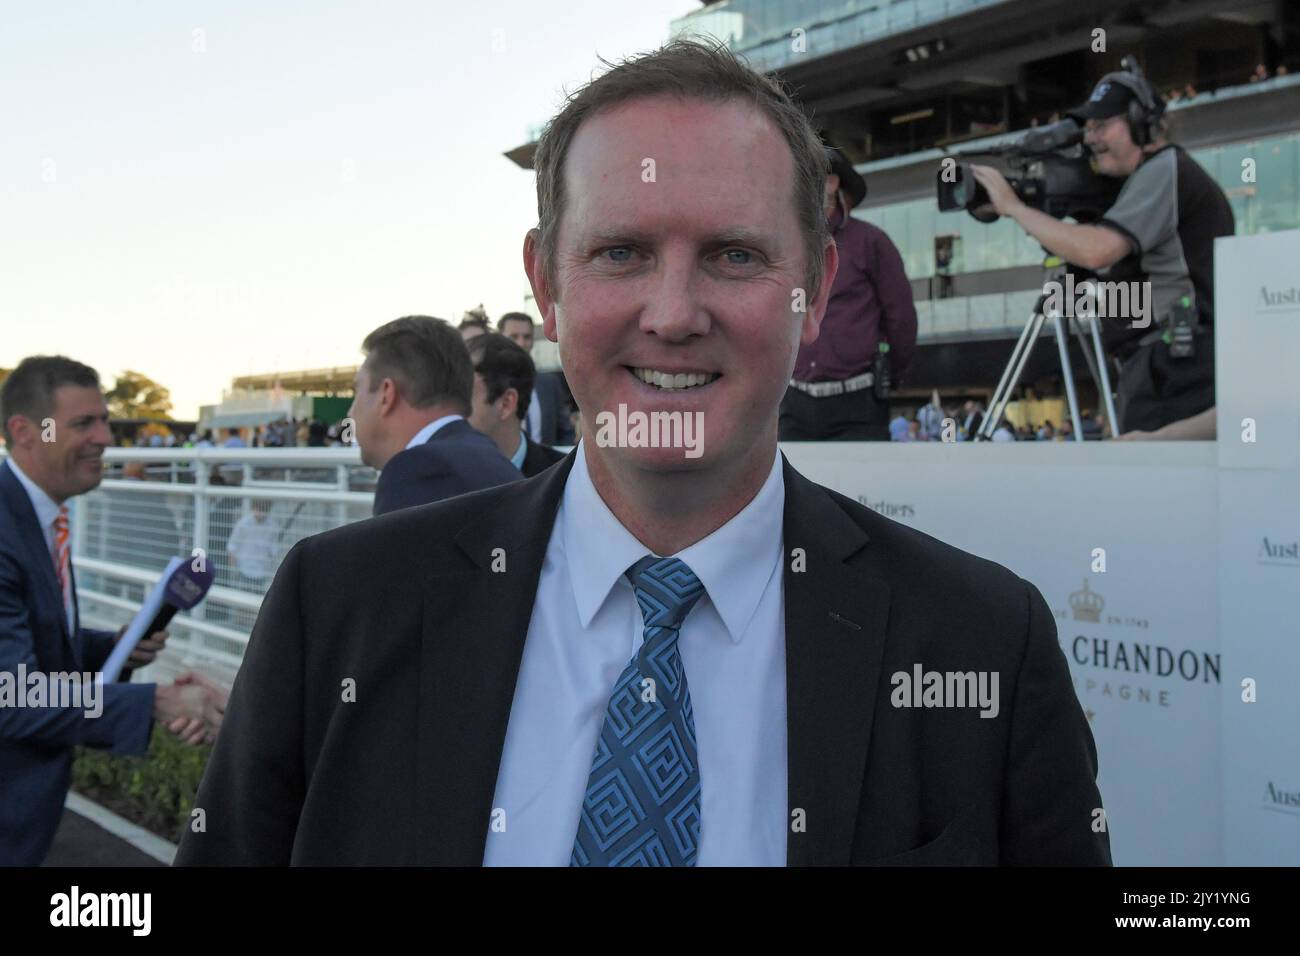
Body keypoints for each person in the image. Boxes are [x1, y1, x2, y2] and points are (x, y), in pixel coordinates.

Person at [178, 40, 1108, 867]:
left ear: (816, 289)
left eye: (736, 256)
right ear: (545, 284)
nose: (672, 315)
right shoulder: (339, 608)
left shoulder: (982, 640)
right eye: (620, 253)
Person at [0, 356, 227, 865]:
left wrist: (116, 645)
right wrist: (154, 703)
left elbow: (36, 640)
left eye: (104, 420)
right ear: (25, 431)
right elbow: (11, 693)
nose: (105, 437)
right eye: (85, 423)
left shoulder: (39, 515)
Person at [971, 62, 1233, 440]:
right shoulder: (1139, 182)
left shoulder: (1165, 169)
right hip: (1160, 363)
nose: (1091, 138)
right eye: (1088, 128)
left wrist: (1015, 207)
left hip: (1177, 365)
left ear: (1142, 122)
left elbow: (1096, 251)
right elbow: (1093, 258)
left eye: (1102, 125)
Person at [779, 146, 917, 441]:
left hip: (858, 403)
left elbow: (901, 317)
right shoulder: (785, 243)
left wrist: (887, 377)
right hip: (792, 401)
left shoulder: (871, 241)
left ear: (832, 182)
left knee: (858, 489)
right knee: (788, 487)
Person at [348, 316, 522, 516]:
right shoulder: (492, 458)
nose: (350, 412)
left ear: (386, 394)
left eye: (357, 390)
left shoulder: (415, 472)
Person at [466, 334, 567, 478]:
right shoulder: (436, 477)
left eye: (463, 394)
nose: (450, 409)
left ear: (506, 403)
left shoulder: (566, 478)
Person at [497, 312, 575, 446]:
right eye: (514, 336)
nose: (521, 343)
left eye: (527, 337)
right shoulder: (487, 384)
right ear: (499, 338)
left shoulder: (550, 383)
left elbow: (565, 432)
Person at [227, 499, 280, 588]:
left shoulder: (272, 526)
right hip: (244, 567)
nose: (260, 513)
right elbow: (233, 542)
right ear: (253, 509)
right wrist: (232, 555)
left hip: (262, 569)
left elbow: (274, 549)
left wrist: (275, 569)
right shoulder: (243, 523)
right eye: (258, 510)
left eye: (263, 510)